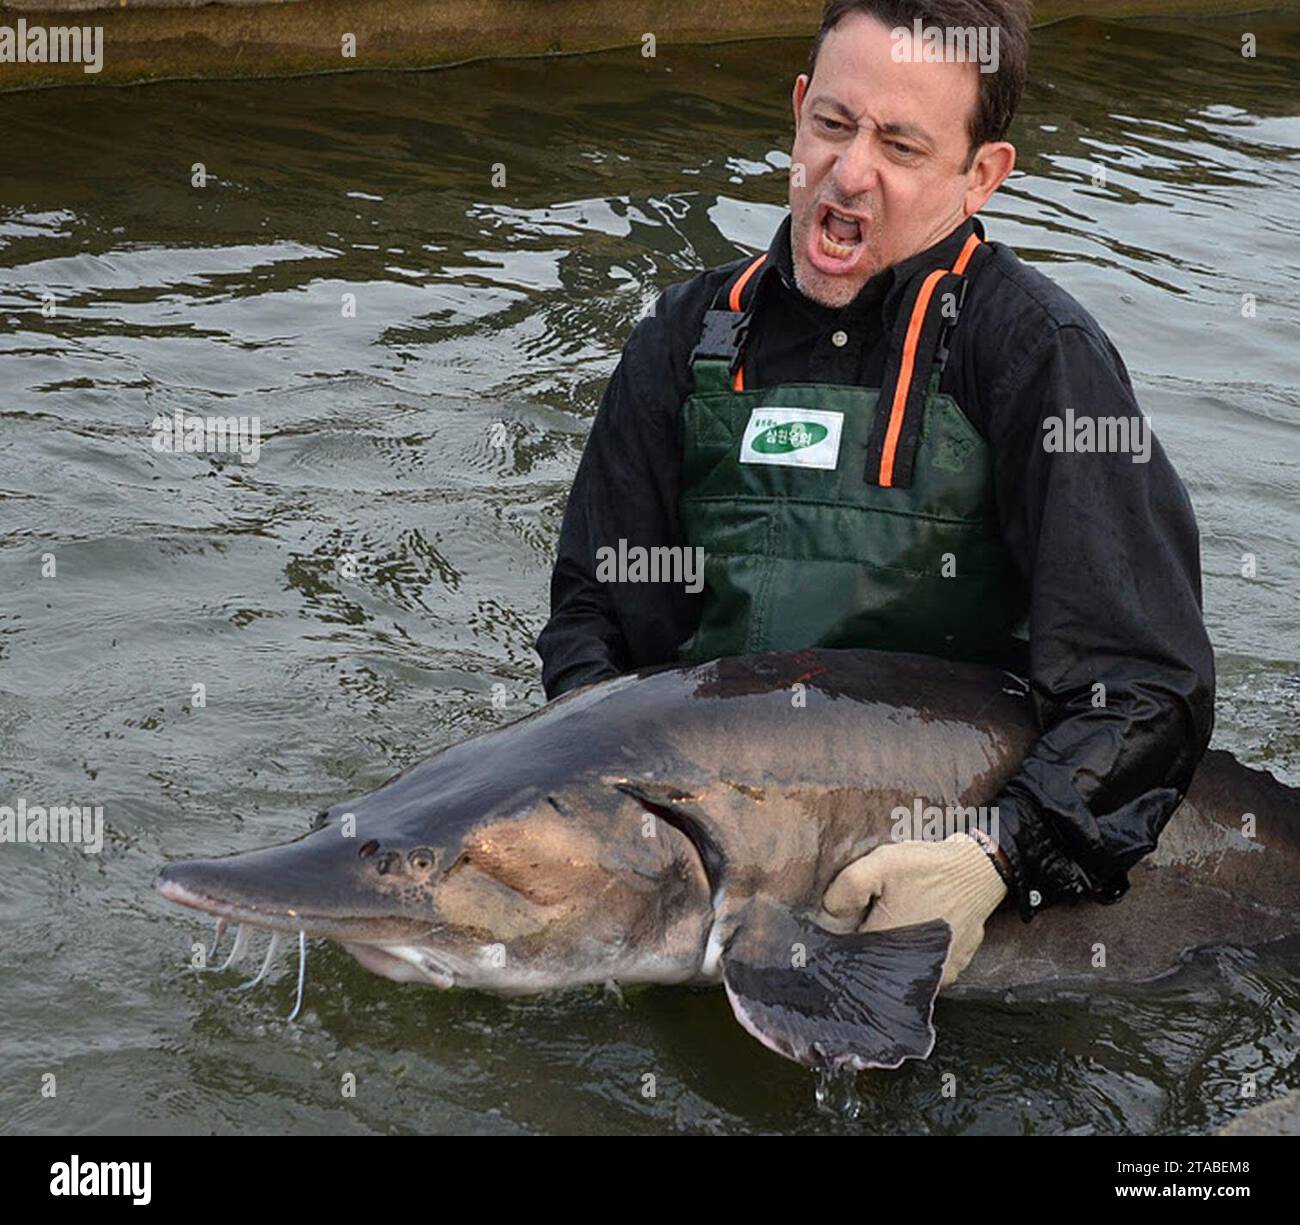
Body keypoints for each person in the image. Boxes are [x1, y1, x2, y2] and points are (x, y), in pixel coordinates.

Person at [535, 0, 1215, 987]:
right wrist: (592, 832)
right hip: (719, 856)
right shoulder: (685, 337)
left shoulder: (1035, 355)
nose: (849, 174)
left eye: (900, 144)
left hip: (958, 880)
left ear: (981, 175)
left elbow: (1145, 690)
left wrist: (997, 860)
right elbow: (596, 617)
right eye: (833, 125)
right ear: (798, 109)